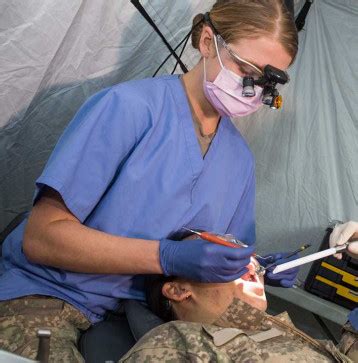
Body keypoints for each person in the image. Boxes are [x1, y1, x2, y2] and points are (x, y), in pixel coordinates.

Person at [0, 1, 299, 361]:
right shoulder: (128, 109)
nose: (255, 88)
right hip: (53, 295)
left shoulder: (238, 161)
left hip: (154, 318)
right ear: (207, 42)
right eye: (247, 69)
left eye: (268, 81)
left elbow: (218, 249)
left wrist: (249, 264)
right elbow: (41, 237)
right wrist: (166, 256)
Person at [120, 257, 358, 362]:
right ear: (178, 290)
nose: (252, 263)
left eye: (248, 256)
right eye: (225, 257)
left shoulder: (272, 332)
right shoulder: (174, 344)